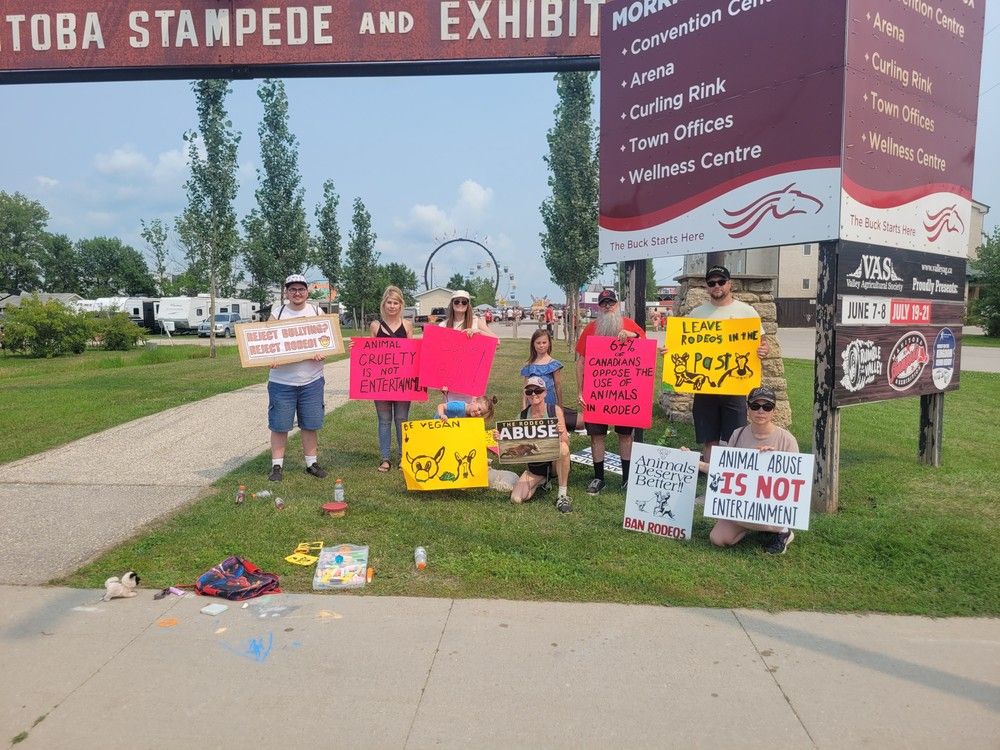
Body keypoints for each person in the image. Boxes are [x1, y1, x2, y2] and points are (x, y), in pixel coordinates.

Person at [690, 386, 797, 554]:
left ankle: (782, 531)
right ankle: (749, 526)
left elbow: (795, 480)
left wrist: (774, 460)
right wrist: (695, 461)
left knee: (772, 521)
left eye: (767, 407)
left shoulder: (787, 440)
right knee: (717, 538)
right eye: (755, 406)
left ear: (773, 411)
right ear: (748, 409)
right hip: (743, 505)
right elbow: (724, 470)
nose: (760, 411)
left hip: (769, 507)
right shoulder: (737, 435)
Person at [683, 265, 769, 463]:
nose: (717, 286)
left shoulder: (747, 312)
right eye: (712, 283)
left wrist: (763, 350)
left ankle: (731, 475)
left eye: (721, 281)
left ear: (730, 284)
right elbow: (686, 346)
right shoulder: (697, 314)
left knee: (735, 436)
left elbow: (762, 344)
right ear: (707, 287)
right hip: (705, 386)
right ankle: (711, 473)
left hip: (735, 386)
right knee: (708, 436)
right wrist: (671, 353)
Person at [575, 289, 646, 494]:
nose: (607, 306)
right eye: (603, 303)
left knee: (625, 435)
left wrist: (632, 335)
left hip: (624, 392)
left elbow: (645, 347)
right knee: (597, 435)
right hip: (597, 392)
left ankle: (627, 478)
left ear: (618, 304)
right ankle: (599, 478)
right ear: (599, 306)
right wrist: (581, 390)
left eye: (611, 302)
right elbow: (581, 361)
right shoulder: (591, 328)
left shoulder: (629, 324)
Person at [267, 274, 329, 482]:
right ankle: (277, 466)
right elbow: (267, 344)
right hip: (281, 381)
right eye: (292, 289)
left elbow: (327, 341)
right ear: (286, 292)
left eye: (301, 289)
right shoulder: (277, 314)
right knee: (279, 425)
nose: (297, 293)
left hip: (311, 380)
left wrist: (323, 351)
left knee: (310, 424)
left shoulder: (317, 311)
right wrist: (270, 357)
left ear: (307, 291)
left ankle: (311, 463)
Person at [497, 376, 572, 513]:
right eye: (529, 391)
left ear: (545, 393)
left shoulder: (554, 411)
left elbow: (566, 443)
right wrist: (501, 438)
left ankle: (562, 495)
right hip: (536, 467)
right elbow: (511, 443)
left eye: (537, 390)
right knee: (516, 499)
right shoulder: (523, 416)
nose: (533, 394)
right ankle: (542, 481)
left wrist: (561, 433)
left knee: (563, 448)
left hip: (554, 462)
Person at [369, 285, 414, 473]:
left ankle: (405, 457)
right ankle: (385, 458)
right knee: (384, 420)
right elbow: (368, 353)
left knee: (402, 419)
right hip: (381, 381)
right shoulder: (375, 326)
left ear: (401, 305)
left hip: (403, 381)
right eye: (389, 302)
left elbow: (413, 353)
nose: (392, 306)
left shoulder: (407, 325)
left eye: (396, 303)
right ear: (384, 304)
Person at [439, 289, 498, 402]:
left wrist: (478, 332)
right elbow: (438, 354)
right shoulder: (443, 325)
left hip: (472, 376)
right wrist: (440, 381)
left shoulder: (475, 321)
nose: (460, 304)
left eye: (464, 302)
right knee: (453, 411)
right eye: (457, 301)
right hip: (450, 378)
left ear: (468, 305)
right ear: (452, 304)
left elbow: (496, 340)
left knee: (472, 411)